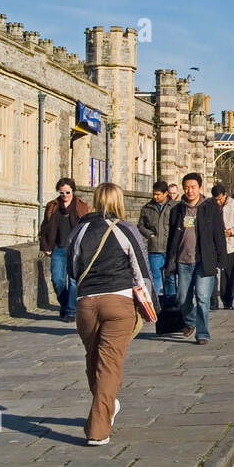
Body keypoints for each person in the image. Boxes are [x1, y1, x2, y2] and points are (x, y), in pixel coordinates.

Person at [65, 182, 154, 446]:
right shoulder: (126, 229)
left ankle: (106, 406)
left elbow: (72, 267)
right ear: (118, 202)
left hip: (87, 302)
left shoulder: (79, 230)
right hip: (118, 302)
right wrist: (151, 305)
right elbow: (141, 269)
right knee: (109, 364)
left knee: (94, 360)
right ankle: (98, 429)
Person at [163, 172, 227, 343]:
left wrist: (222, 258)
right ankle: (191, 321)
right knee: (182, 298)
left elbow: (218, 233)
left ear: (200, 188)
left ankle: (202, 334)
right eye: (186, 187)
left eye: (193, 187)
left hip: (203, 260)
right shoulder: (177, 209)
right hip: (183, 260)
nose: (189, 190)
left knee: (202, 298)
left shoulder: (210, 207)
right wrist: (169, 260)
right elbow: (172, 237)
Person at [39, 177, 90, 321]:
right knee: (57, 280)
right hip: (58, 248)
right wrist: (46, 246)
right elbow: (45, 227)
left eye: (67, 192)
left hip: (76, 249)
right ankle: (65, 303)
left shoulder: (81, 206)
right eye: (62, 193)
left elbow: (87, 228)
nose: (65, 196)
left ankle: (71, 311)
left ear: (73, 191)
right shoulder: (52, 206)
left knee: (74, 281)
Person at [137, 181, 170, 307]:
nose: (155, 197)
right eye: (154, 194)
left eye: (158, 194)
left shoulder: (174, 207)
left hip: (169, 248)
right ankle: (153, 303)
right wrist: (149, 234)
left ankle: (171, 301)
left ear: (165, 194)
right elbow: (141, 225)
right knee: (155, 277)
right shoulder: (147, 208)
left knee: (170, 278)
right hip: (154, 248)